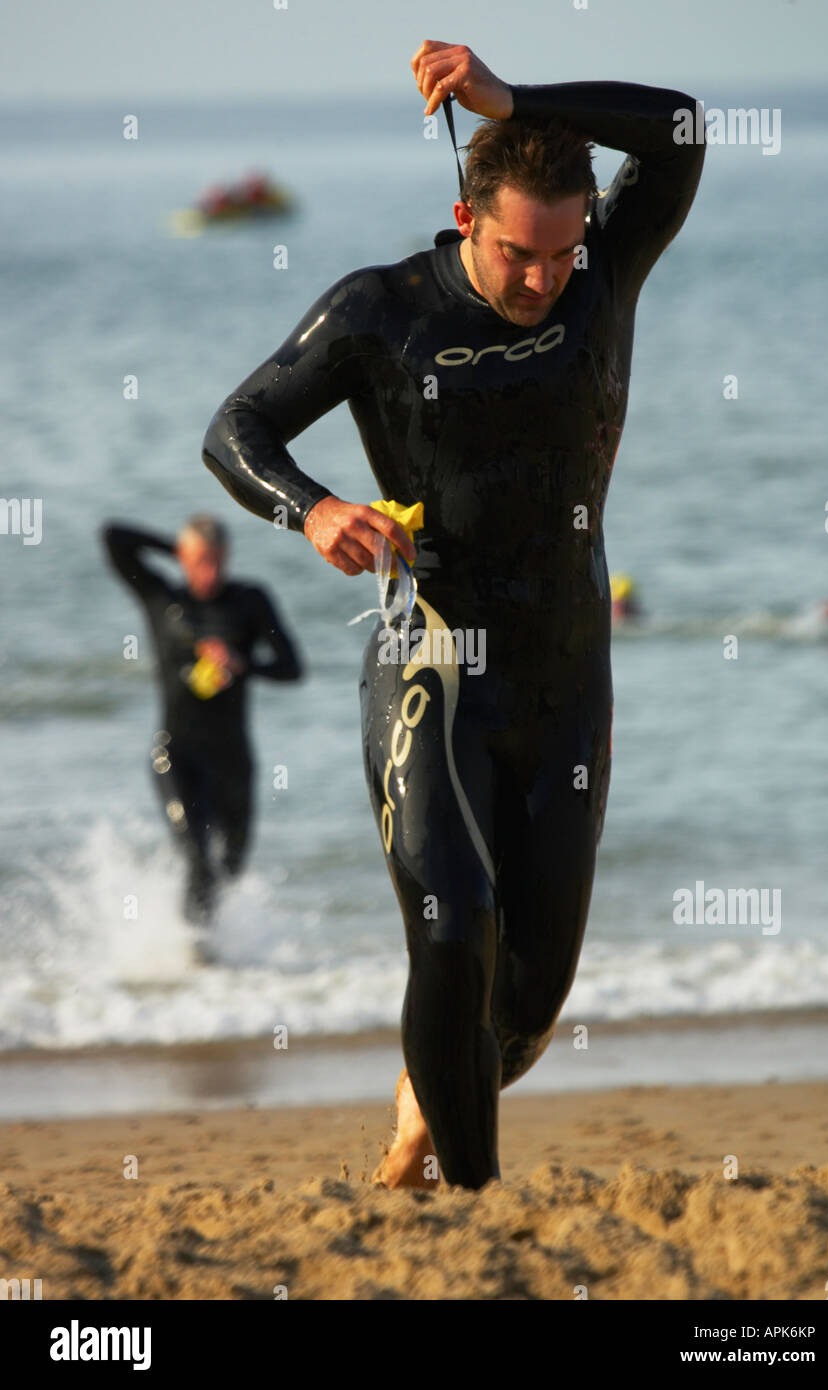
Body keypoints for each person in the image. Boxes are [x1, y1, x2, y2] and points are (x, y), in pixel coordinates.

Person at [201, 40, 704, 1186]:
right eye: (520, 254)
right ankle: (473, 1199)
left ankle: (429, 1097)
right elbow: (236, 431)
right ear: (465, 216)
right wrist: (313, 508)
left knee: (526, 997)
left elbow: (676, 125)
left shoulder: (604, 278)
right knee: (451, 928)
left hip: (568, 674)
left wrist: (512, 96)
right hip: (433, 664)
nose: (543, 281)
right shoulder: (381, 315)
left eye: (562, 252)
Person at [102, 514, 303, 932]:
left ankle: (213, 960)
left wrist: (241, 664)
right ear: (184, 559)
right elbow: (114, 537)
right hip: (176, 754)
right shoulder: (163, 600)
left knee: (229, 867)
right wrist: (175, 547)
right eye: (198, 561)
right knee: (198, 857)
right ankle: (193, 952)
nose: (208, 571)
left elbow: (292, 668)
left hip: (232, 758)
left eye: (215, 560)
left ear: (227, 557)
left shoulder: (249, 601)